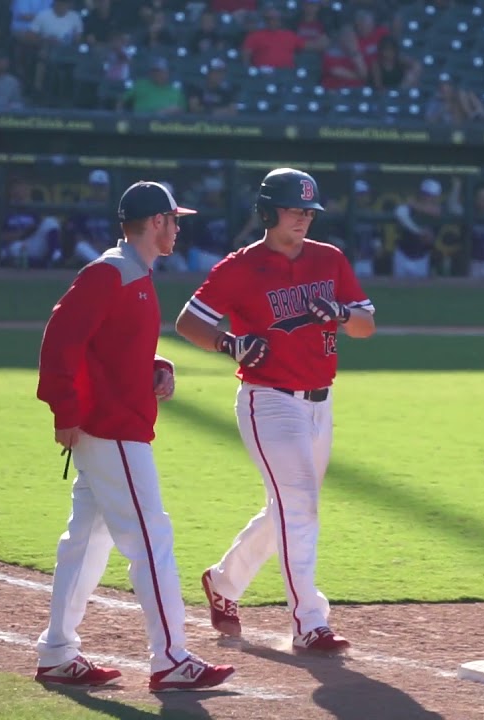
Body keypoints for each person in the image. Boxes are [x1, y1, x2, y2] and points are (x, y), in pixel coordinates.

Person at [34, 181, 236, 692]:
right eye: (172, 219)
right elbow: (60, 339)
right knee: (152, 539)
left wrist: (154, 366)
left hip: (115, 424)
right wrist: (65, 409)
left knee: (85, 542)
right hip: (113, 430)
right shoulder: (111, 272)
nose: (178, 227)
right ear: (154, 223)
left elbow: (109, 347)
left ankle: (58, 652)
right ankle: (171, 659)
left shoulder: (134, 273)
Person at [173, 168, 377, 654]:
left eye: (309, 211)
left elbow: (367, 324)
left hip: (320, 405)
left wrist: (344, 315)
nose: (303, 218)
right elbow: (188, 322)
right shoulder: (240, 267)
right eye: (293, 209)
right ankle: (310, 620)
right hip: (268, 401)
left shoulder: (330, 259)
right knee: (300, 504)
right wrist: (230, 343)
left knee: (287, 508)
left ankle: (223, 583)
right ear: (268, 212)